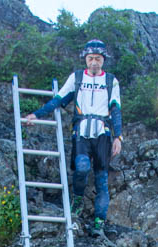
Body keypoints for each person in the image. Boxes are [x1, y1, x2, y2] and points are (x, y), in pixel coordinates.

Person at [22, 39, 123, 236]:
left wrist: (118, 137)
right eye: (91, 58)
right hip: (82, 132)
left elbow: (116, 109)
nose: (94, 62)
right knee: (82, 167)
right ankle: (77, 198)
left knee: (102, 179)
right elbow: (59, 100)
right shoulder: (77, 78)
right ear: (86, 59)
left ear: (103, 60)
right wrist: (37, 114)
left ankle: (98, 223)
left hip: (103, 133)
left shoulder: (111, 81)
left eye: (98, 59)